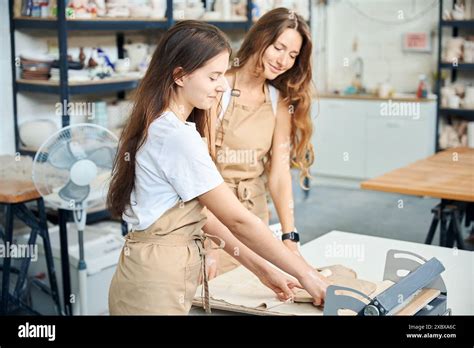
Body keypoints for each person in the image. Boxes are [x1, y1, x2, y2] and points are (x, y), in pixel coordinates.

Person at [107, 20, 330, 315]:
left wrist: (261, 267)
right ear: (180, 76)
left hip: (157, 273)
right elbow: (238, 221)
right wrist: (308, 275)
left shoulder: (170, 128)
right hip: (153, 283)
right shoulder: (178, 138)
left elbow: (204, 216)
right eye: (214, 77)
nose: (223, 86)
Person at [208, 8, 315, 275]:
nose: (283, 61)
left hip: (254, 215)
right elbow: (200, 171)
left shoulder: (279, 101)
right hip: (211, 214)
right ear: (260, 38)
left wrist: (290, 237)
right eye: (279, 48)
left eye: (292, 55)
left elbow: (279, 175)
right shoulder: (218, 89)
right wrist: (210, 244)